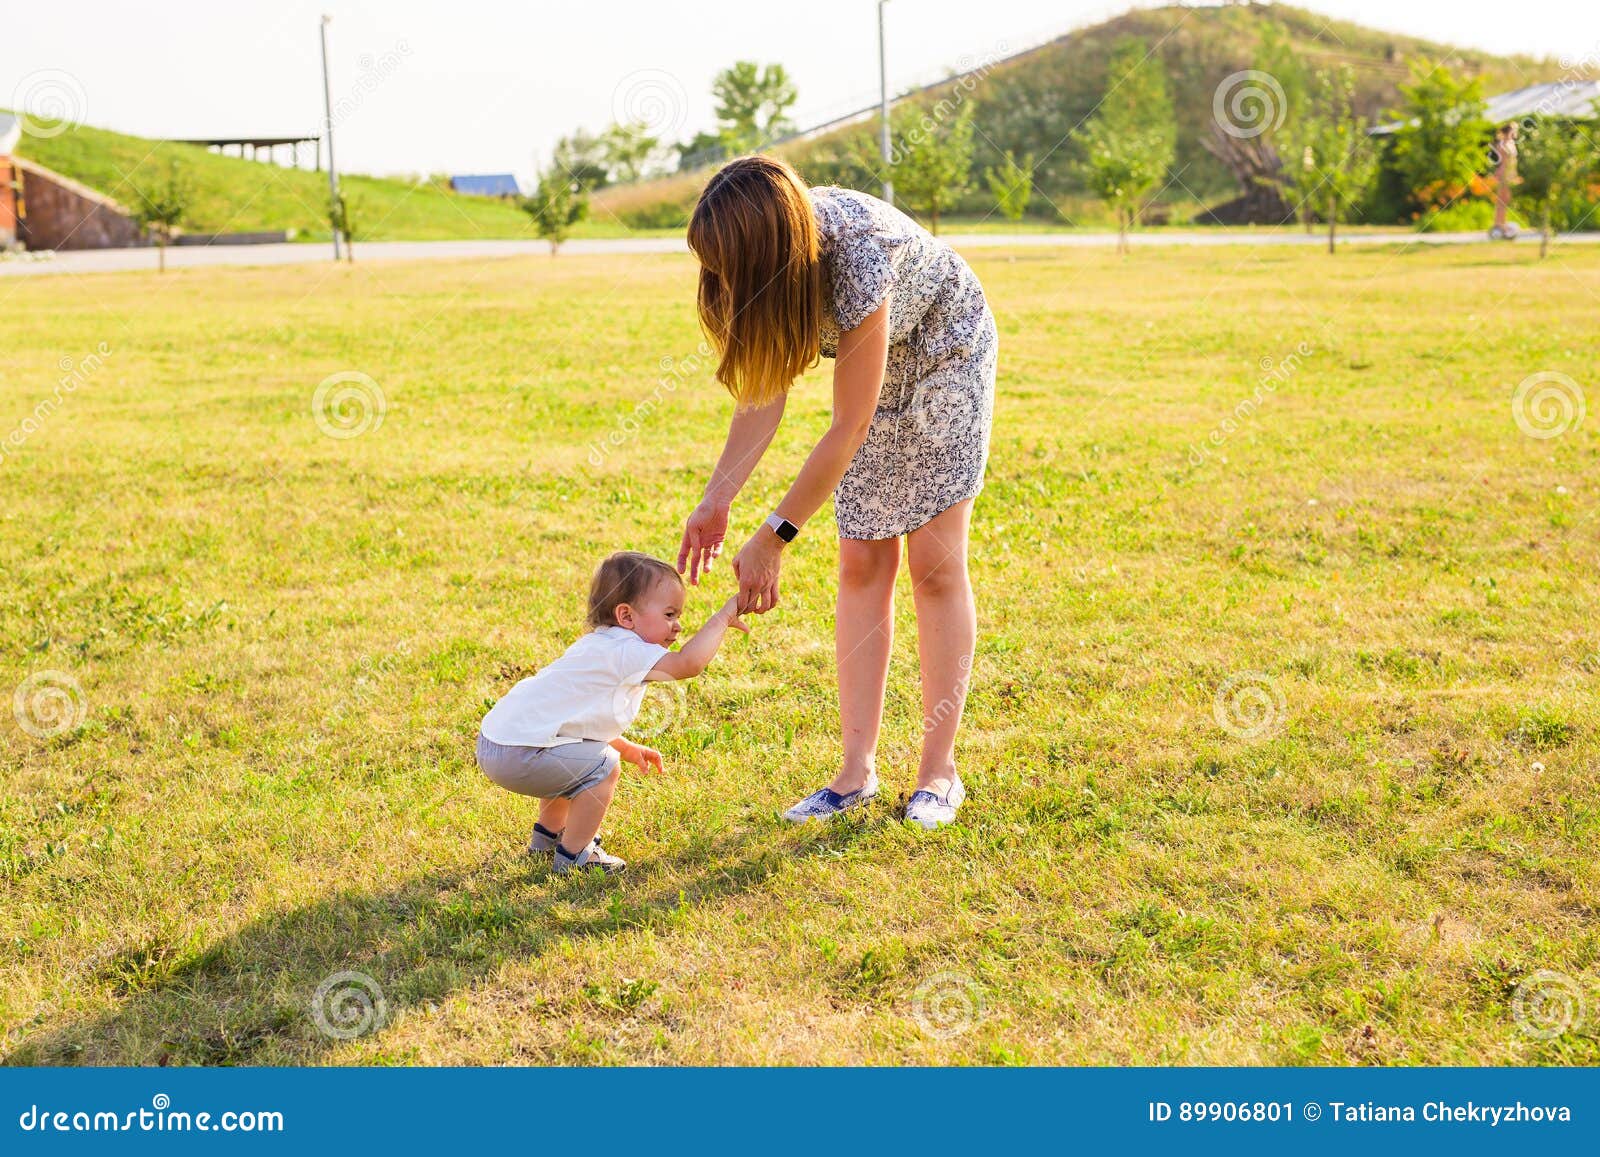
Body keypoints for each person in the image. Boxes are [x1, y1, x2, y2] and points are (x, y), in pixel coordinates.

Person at [677, 155, 999, 830]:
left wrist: (777, 535)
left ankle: (939, 772)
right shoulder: (769, 268)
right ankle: (854, 775)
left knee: (934, 565)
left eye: (730, 267)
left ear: (768, 253)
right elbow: (764, 392)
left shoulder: (856, 254)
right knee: (861, 562)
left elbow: (848, 425)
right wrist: (719, 497)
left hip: (946, 348)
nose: (721, 282)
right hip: (875, 357)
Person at [476, 551, 747, 873]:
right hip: (519, 754)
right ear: (627, 617)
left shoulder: (597, 645)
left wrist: (626, 745)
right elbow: (688, 664)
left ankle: (548, 837)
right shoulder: (626, 650)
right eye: (670, 614)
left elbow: (579, 720)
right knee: (602, 766)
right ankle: (575, 857)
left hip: (497, 744)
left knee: (578, 760)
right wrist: (723, 618)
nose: (677, 627)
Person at [1490, 121, 1520, 240]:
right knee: (1501, 200)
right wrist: (1502, 175)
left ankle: (1503, 223)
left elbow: (1513, 161)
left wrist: (1514, 175)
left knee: (1506, 200)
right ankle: (1498, 224)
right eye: (1514, 129)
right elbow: (1502, 162)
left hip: (1510, 174)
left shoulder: (1512, 143)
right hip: (1504, 174)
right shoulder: (1502, 144)